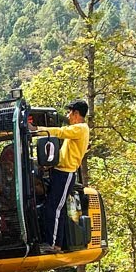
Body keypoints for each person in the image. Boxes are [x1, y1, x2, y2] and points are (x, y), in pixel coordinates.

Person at [33, 99, 90, 253]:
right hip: (59, 172)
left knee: (55, 208)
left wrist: (37, 129)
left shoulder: (80, 128)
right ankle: (55, 242)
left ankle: (54, 245)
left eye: (69, 112)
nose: (68, 115)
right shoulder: (77, 130)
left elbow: (60, 132)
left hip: (65, 175)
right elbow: (63, 154)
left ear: (76, 113)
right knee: (53, 207)